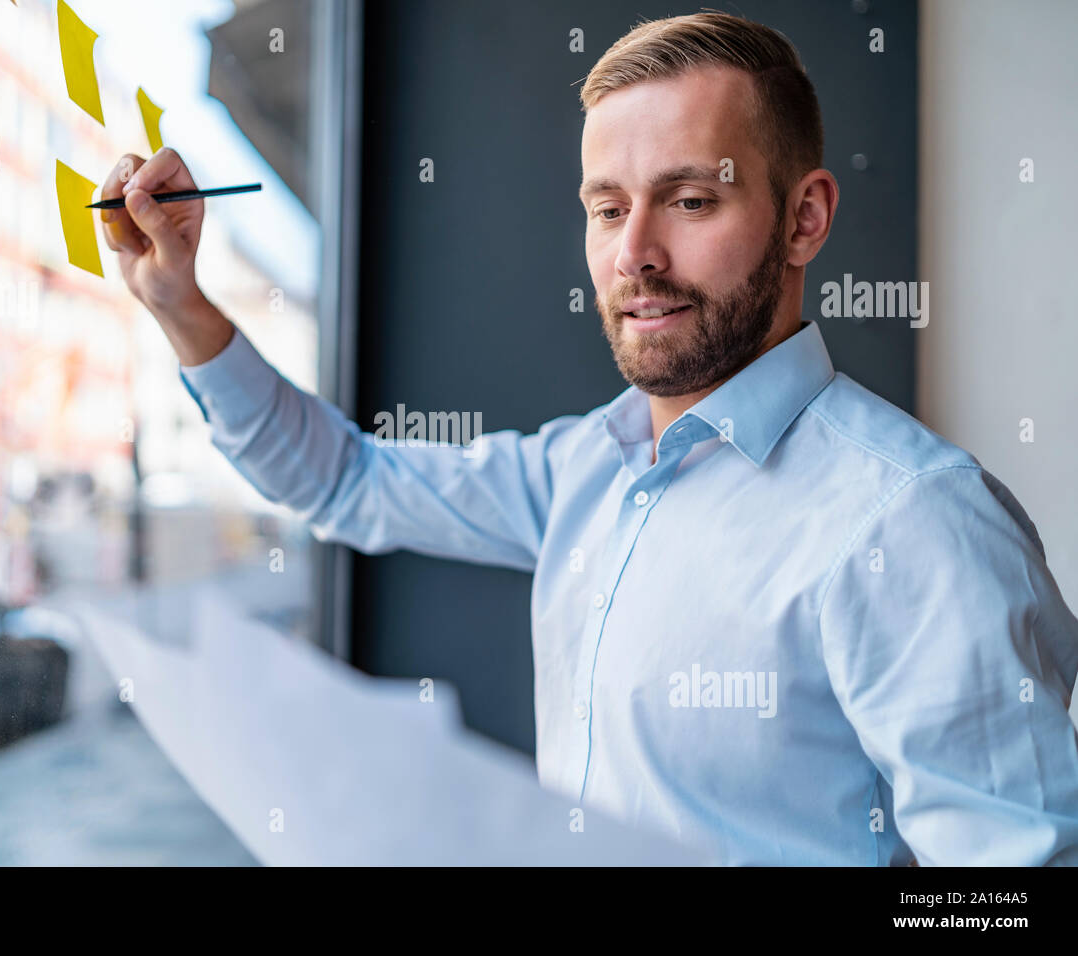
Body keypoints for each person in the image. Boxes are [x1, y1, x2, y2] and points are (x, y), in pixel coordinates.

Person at [98, 12, 1078, 865]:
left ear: (804, 218)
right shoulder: (582, 471)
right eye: (607, 208)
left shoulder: (915, 522)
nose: (633, 254)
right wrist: (181, 305)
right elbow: (345, 479)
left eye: (690, 200)